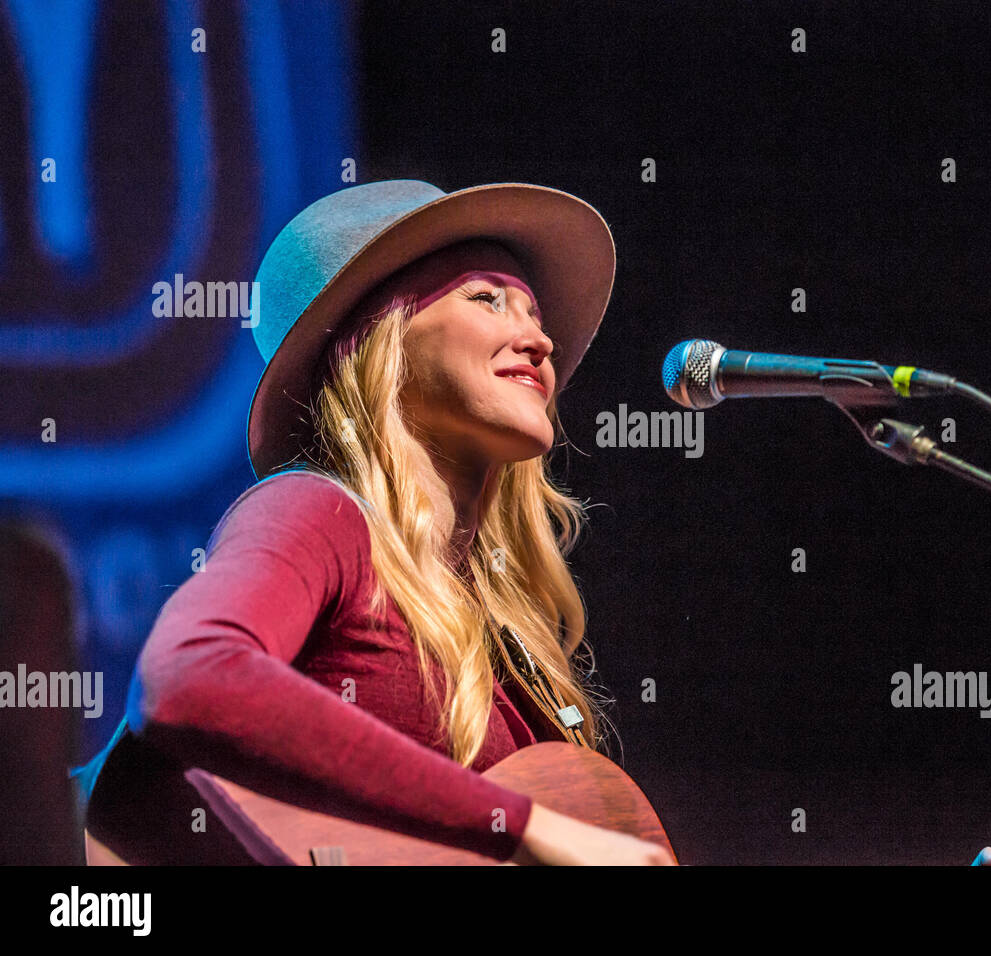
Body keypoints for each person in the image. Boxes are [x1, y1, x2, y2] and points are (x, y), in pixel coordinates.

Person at [88, 179, 672, 865]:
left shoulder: (504, 634)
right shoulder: (318, 511)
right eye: (487, 299)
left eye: (534, 312)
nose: (539, 339)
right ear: (377, 342)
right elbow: (188, 677)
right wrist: (525, 827)